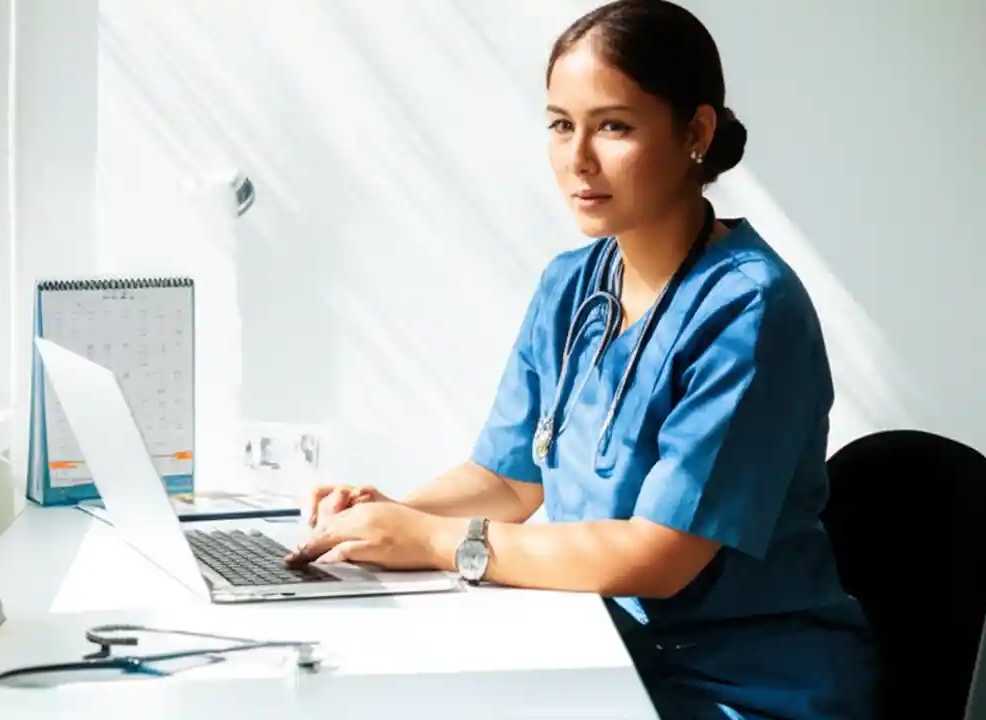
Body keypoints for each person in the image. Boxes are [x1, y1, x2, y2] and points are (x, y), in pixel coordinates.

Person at [284, 1, 880, 717]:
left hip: (743, 689)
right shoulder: (571, 285)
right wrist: (381, 516)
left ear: (695, 131)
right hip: (603, 657)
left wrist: (441, 542)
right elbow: (506, 479)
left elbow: (656, 559)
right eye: (561, 125)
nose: (578, 160)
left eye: (614, 126)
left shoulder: (750, 310)